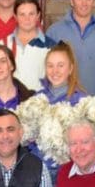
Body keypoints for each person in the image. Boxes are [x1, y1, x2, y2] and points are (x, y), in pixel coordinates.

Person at [26, 42, 87, 179]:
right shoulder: (37, 98)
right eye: (50, 66)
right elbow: (28, 137)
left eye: (61, 65)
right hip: (37, 170)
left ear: (70, 68)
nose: (55, 71)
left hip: (66, 172)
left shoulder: (81, 101)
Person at [0, 0, 52, 91]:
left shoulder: (50, 46)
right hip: (10, 103)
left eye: (31, 14)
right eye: (22, 14)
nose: (27, 19)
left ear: (38, 15)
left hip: (39, 103)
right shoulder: (3, 44)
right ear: (15, 17)